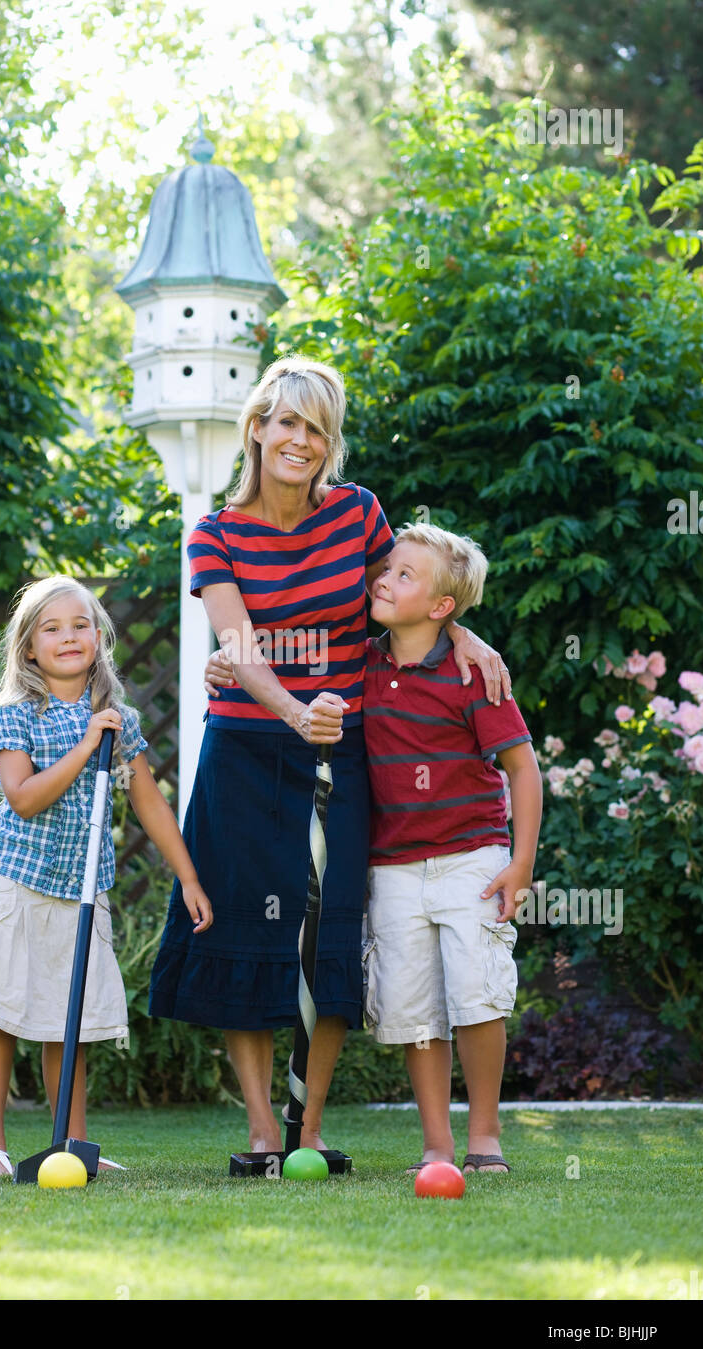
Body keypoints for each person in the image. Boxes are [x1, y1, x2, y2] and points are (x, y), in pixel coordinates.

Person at [152, 354, 511, 1155]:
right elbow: (237, 643)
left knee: (330, 937)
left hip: (342, 756)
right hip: (246, 751)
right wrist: (290, 712)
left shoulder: (357, 514)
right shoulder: (214, 534)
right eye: (287, 421)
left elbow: (411, 599)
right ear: (257, 427)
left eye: (318, 428)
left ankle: (307, 1131)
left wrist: (468, 633)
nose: (301, 440)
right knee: (243, 931)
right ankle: (260, 1130)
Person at [0, 576, 212, 1177]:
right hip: (18, 884)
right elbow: (25, 797)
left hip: (84, 889)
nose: (68, 636)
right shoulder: (15, 715)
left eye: (80, 625)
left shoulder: (119, 719)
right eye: (51, 628)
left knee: (72, 1023)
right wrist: (88, 744)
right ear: (28, 647)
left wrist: (187, 877)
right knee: (0, 1013)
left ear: (100, 637)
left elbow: (150, 803)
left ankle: (72, 1146)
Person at [362, 523, 542, 1174]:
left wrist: (519, 863)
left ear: (442, 607)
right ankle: (436, 1146)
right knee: (413, 1010)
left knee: (477, 996)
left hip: (474, 858)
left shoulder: (473, 673)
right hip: (395, 866)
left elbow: (523, 769)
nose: (385, 578)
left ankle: (485, 1138)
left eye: (406, 575)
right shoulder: (364, 663)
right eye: (388, 567)